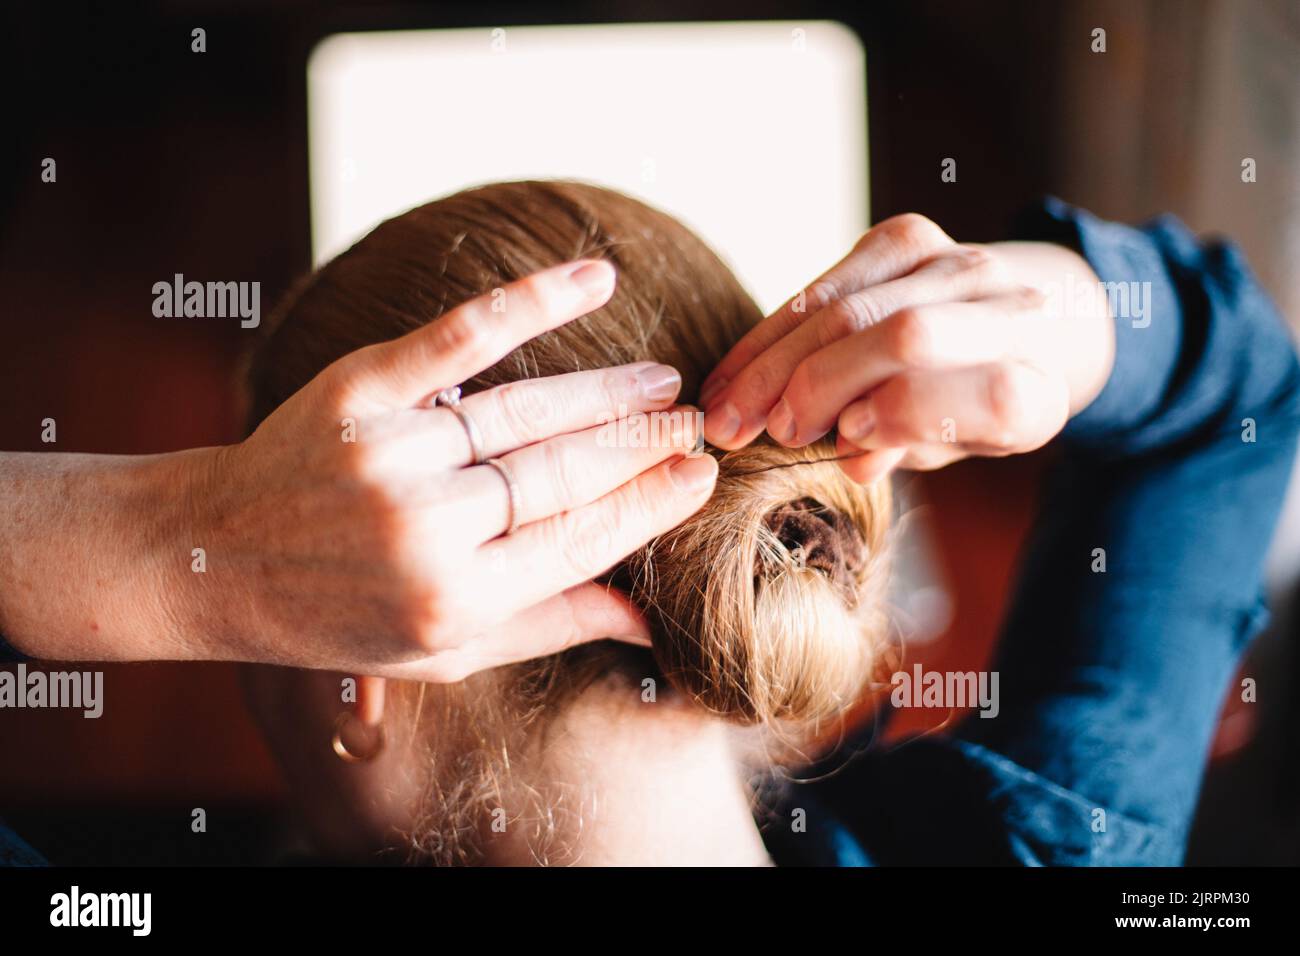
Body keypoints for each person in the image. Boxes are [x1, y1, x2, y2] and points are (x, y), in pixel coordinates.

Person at [241, 181, 1300, 865]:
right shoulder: (1049, 842)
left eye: (240, 584)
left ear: (359, 673)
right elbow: (1238, 397)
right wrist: (1067, 313)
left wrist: (165, 549)